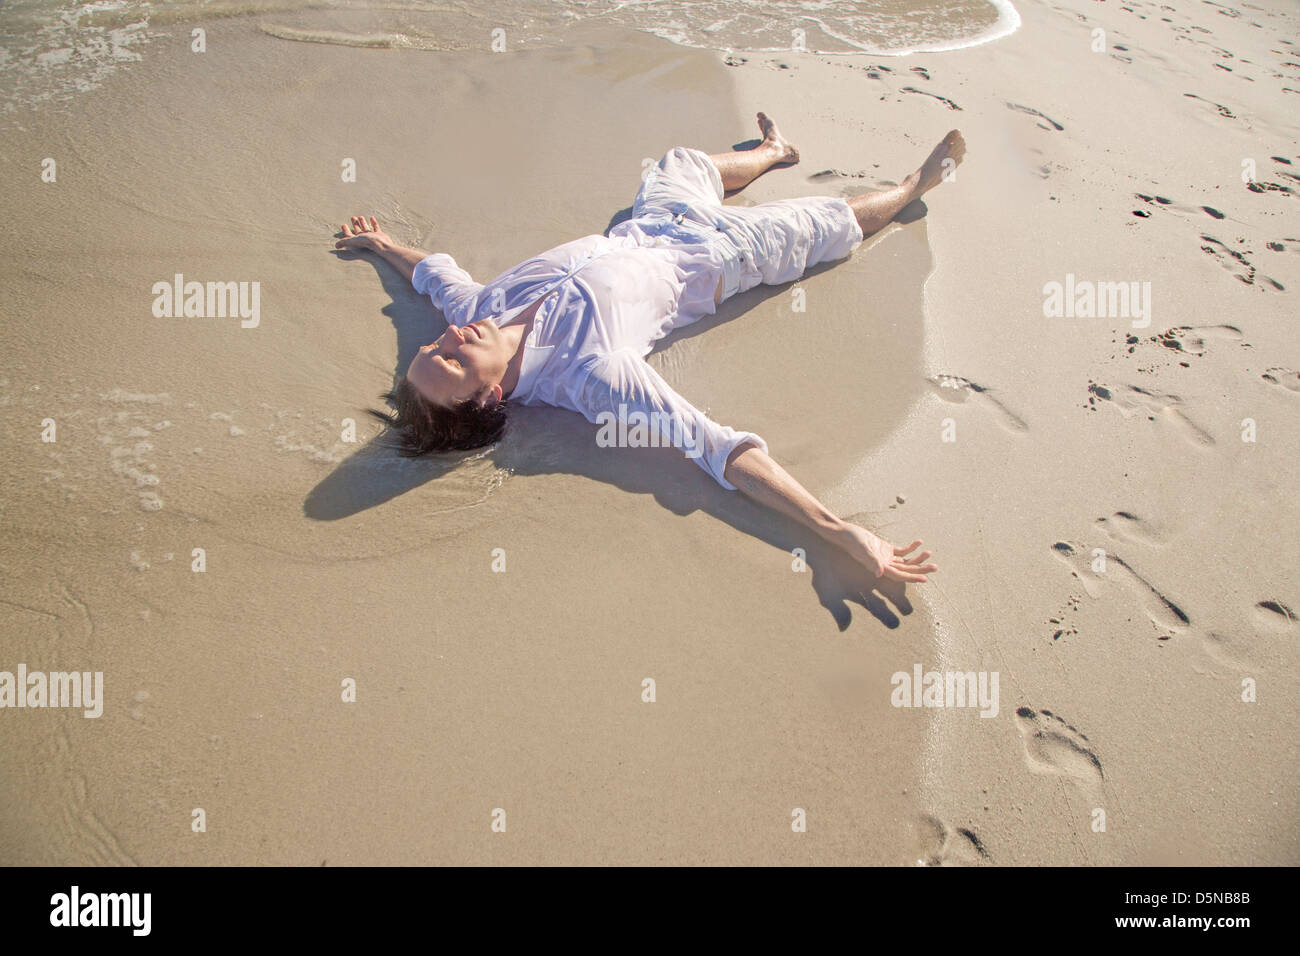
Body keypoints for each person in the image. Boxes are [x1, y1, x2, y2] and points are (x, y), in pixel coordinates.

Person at [336, 114, 965, 584]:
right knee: (838, 222)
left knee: (681, 161)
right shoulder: (590, 375)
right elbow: (712, 446)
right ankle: (913, 185)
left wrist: (383, 245)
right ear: (491, 395)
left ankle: (773, 152)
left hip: (655, 219)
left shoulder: (474, 313)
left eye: (433, 345)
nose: (448, 337)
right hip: (726, 254)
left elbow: (433, 274)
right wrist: (836, 529)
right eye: (452, 361)